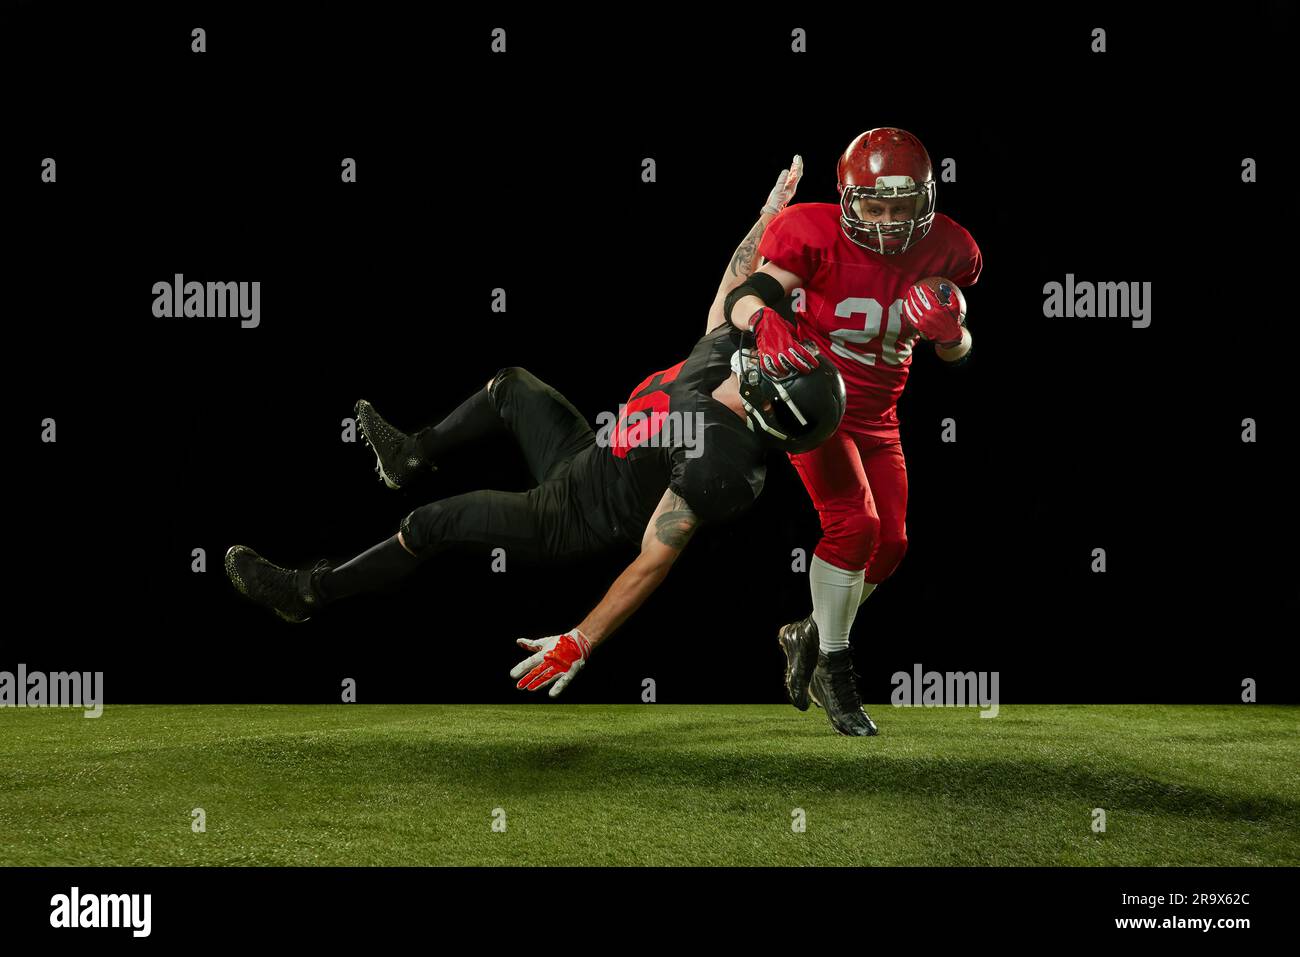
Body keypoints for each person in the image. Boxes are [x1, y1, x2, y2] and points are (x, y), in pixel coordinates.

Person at [225, 160, 845, 698]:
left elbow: (653, 561)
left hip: (568, 514)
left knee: (429, 524)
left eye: (774, 364)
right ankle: (408, 457)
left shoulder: (727, 465)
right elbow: (731, 290)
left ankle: (305, 592)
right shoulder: (729, 358)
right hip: (585, 454)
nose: (767, 348)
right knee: (510, 384)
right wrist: (769, 215)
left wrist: (582, 639)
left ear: (769, 402)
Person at [719, 129, 983, 735]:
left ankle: (810, 631)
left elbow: (958, 356)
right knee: (853, 525)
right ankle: (835, 670)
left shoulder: (951, 249)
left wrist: (952, 335)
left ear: (925, 199)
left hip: (880, 418)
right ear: (848, 200)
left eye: (901, 207)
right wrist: (763, 321)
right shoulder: (813, 232)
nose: (889, 222)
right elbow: (749, 295)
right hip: (817, 404)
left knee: (890, 547)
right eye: (875, 207)